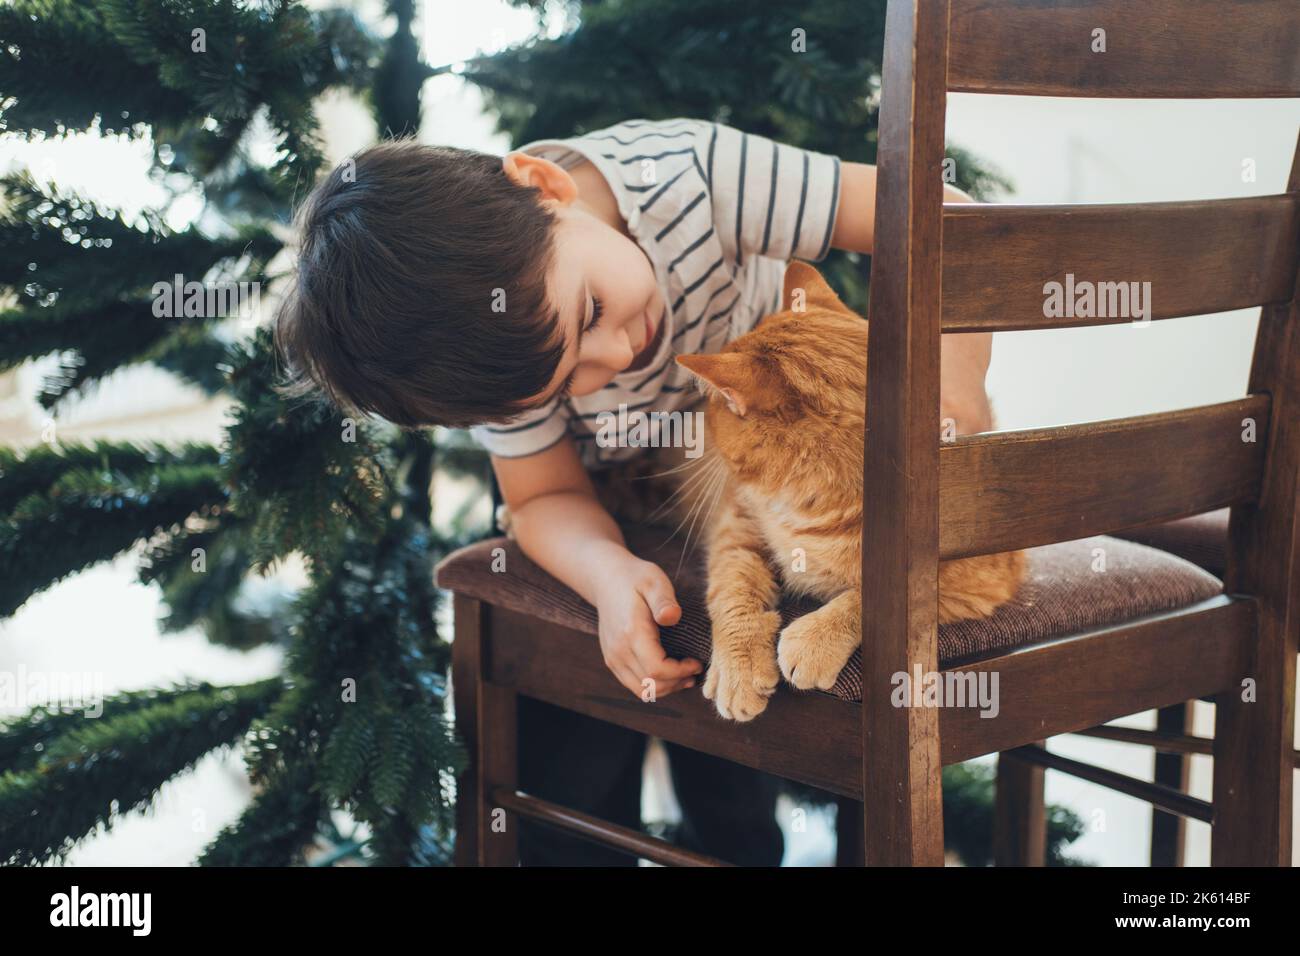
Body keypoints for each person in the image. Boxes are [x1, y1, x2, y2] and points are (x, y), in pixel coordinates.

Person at [274, 117, 992, 865]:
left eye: (589, 312)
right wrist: (609, 576)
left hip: (777, 496)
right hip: (624, 516)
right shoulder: (496, 358)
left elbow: (948, 217)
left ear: (545, 186)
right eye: (570, 378)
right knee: (569, 754)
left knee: (752, 753)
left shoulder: (694, 173)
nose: (617, 355)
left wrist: (955, 377)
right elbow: (542, 501)